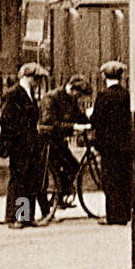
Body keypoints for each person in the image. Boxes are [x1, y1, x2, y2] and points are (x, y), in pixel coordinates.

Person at [0, 62, 48, 228]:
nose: (38, 82)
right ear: (27, 77)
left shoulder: (29, 94)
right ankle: (14, 218)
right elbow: (6, 120)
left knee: (29, 181)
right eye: (36, 79)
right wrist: (18, 137)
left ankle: (25, 217)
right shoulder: (14, 94)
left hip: (30, 144)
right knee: (18, 181)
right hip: (19, 145)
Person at [39, 75, 92, 204]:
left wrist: (90, 121)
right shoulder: (51, 97)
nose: (79, 98)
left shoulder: (70, 98)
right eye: (79, 95)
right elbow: (49, 122)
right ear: (72, 88)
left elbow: (78, 116)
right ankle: (55, 198)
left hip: (58, 142)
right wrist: (73, 127)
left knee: (73, 166)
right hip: (46, 142)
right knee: (53, 171)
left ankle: (59, 196)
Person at [91, 61, 132, 225]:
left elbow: (96, 120)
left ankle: (113, 216)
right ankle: (125, 214)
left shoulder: (103, 96)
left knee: (110, 181)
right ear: (120, 77)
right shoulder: (126, 95)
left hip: (109, 147)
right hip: (125, 145)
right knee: (124, 179)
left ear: (104, 77)